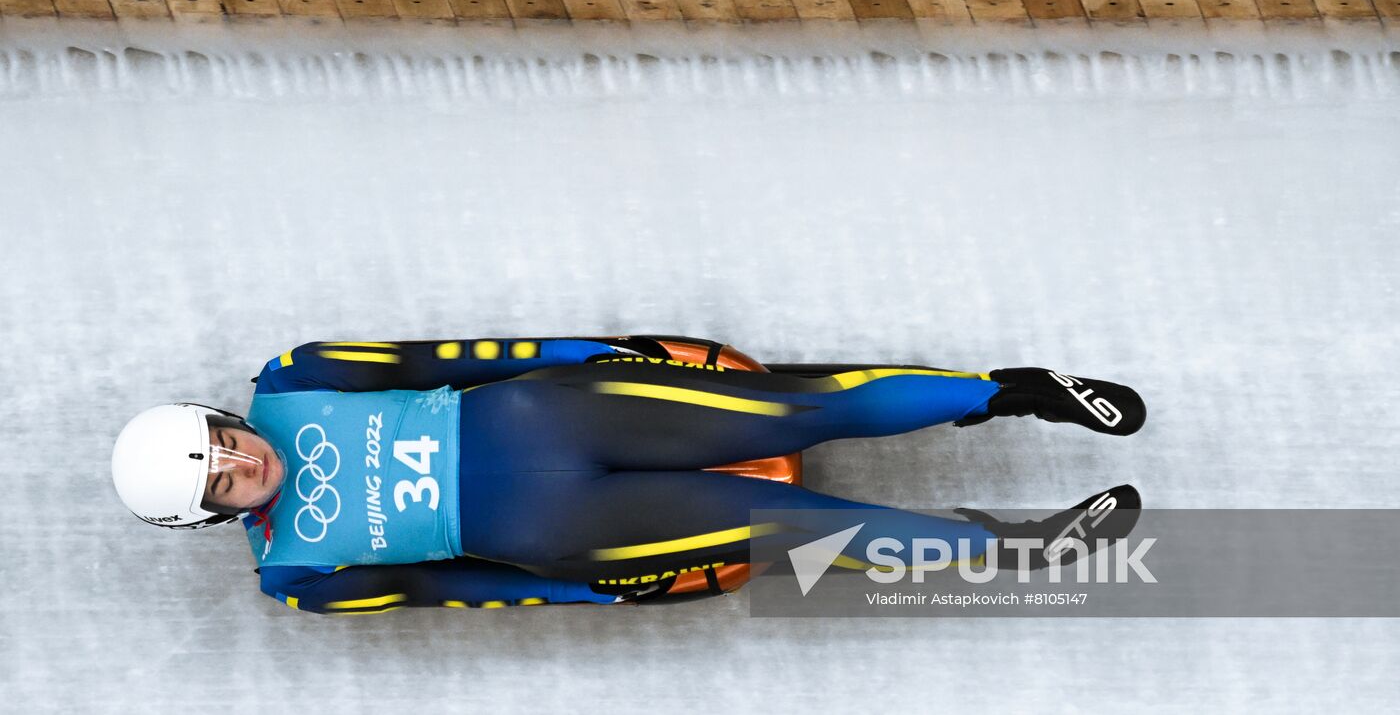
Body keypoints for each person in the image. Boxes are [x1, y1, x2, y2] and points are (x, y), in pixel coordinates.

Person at [110, 335, 1146, 614]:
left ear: (227, 416)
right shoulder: (297, 573)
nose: (244, 465)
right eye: (223, 486)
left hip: (564, 407)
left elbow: (452, 357)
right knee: (797, 526)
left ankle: (1012, 389)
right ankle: (1014, 550)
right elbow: (457, 589)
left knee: (799, 404)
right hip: (579, 528)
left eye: (225, 442)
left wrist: (593, 354)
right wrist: (592, 589)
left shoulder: (299, 375)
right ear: (215, 519)